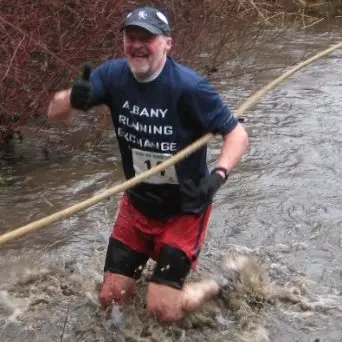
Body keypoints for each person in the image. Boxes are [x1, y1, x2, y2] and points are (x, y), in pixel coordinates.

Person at [47, 6, 249, 322]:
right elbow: (52, 113)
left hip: (184, 210)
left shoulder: (189, 87)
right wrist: (72, 97)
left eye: (147, 38)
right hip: (138, 205)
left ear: (167, 43)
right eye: (131, 37)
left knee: (162, 311)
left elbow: (237, 135)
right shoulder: (112, 76)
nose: (138, 45)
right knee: (110, 300)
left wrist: (217, 176)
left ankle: (212, 286)